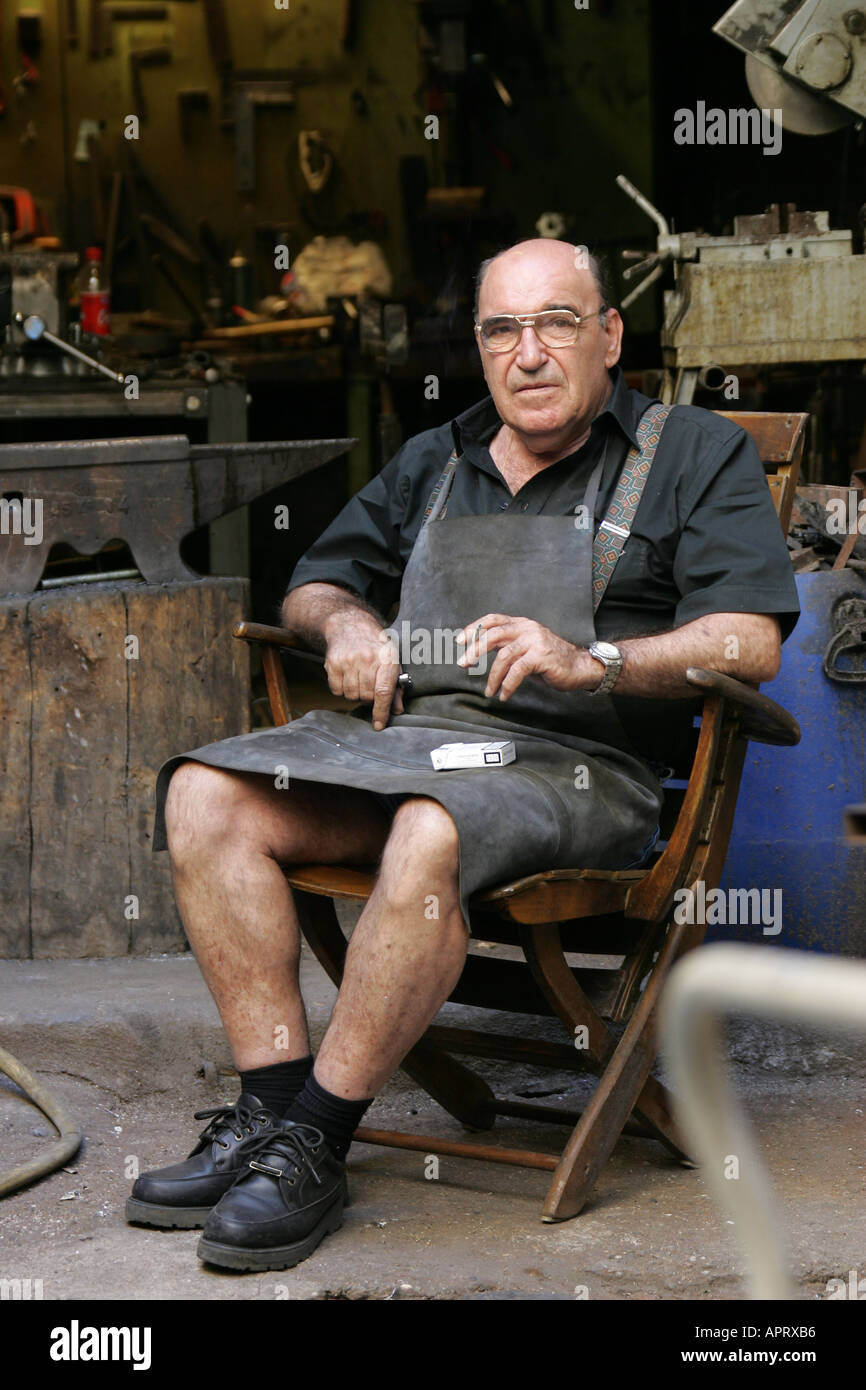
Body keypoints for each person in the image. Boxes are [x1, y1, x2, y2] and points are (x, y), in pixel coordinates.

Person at [126, 238, 799, 1272]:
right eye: (500, 330)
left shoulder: (690, 454)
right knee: (206, 795)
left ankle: (317, 1139)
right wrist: (347, 628)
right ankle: (267, 1115)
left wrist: (596, 657)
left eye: (555, 323)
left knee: (423, 832)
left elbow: (747, 638)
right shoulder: (436, 458)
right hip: (410, 751)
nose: (527, 353)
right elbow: (313, 585)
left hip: (578, 771)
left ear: (608, 336)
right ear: (479, 349)